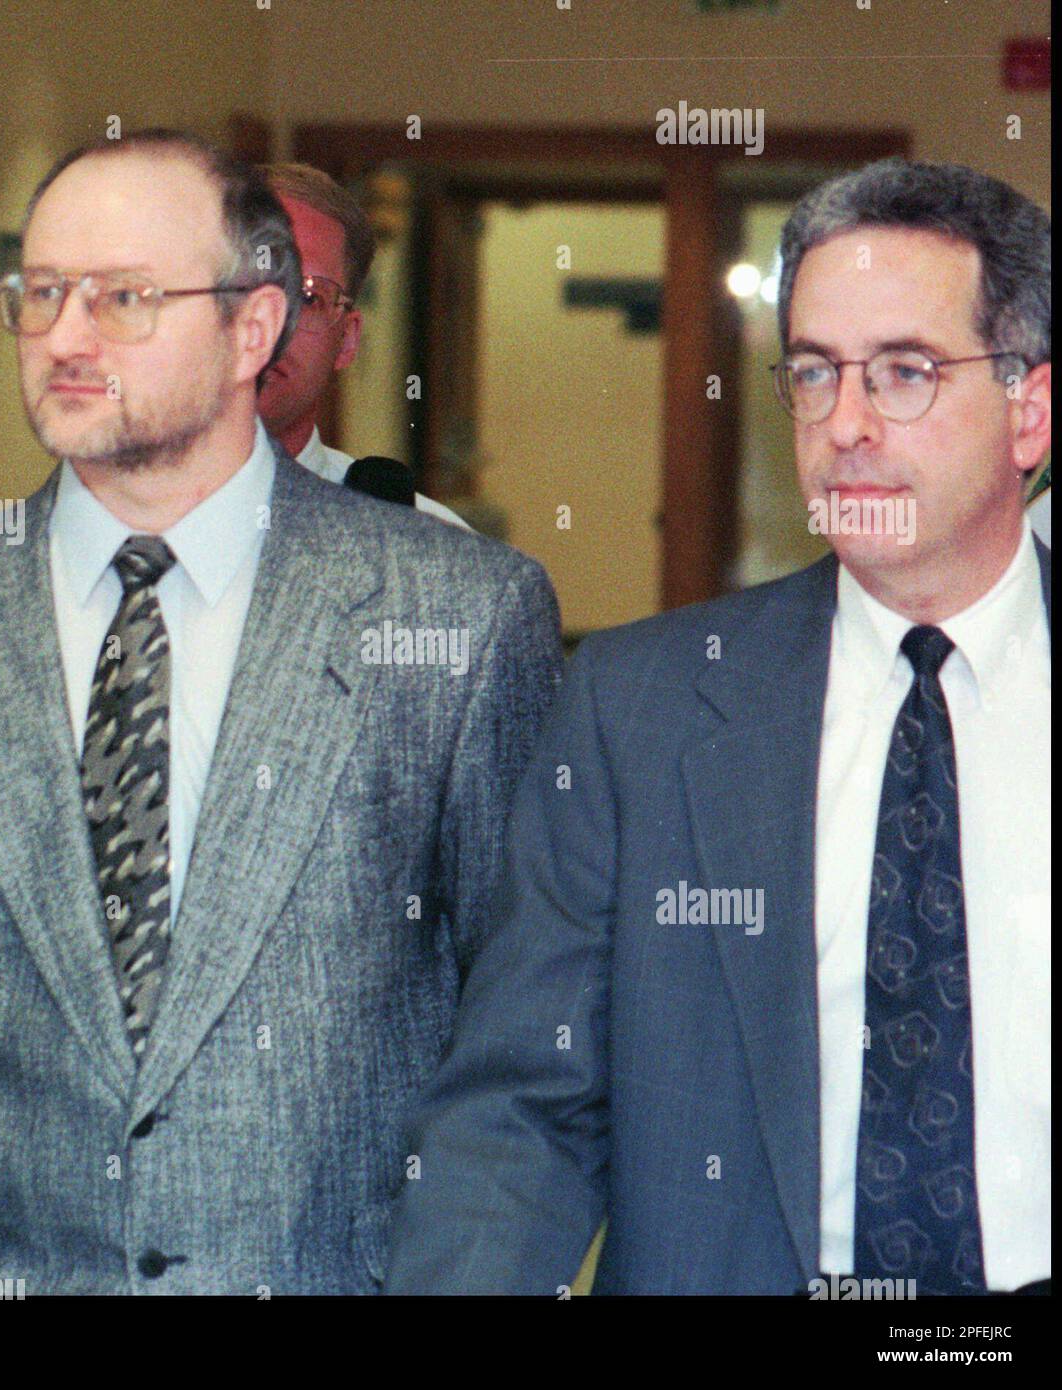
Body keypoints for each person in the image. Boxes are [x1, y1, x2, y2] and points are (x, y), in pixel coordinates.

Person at [0, 129, 562, 1294]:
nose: (62, 335)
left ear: (253, 328)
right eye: (41, 292)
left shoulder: (453, 613)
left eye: (123, 297)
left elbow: (519, 1022)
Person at [385, 159, 1051, 1296]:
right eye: (811, 373)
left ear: (1029, 410)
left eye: (901, 373)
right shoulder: (638, 707)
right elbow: (523, 1114)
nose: (844, 425)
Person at [258, 162, 470, 529]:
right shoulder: (125, 516)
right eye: (239, 287)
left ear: (346, 339)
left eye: (309, 298)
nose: (268, 326)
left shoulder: (427, 542)